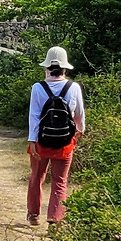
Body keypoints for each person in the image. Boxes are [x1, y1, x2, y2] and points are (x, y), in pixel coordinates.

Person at [26, 46, 85, 227]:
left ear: (47, 67)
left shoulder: (38, 88)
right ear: (65, 68)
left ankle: (34, 215)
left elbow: (34, 116)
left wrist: (32, 140)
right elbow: (79, 114)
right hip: (64, 143)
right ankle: (54, 218)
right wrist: (80, 129)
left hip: (41, 141)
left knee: (37, 176)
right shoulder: (73, 87)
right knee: (60, 180)